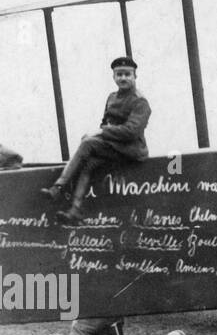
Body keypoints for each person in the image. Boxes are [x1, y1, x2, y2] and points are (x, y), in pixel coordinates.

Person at [42, 56, 151, 223]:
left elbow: (131, 132)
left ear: (135, 76)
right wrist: (101, 132)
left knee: (88, 143)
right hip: (113, 148)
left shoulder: (140, 101)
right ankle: (75, 211)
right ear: (114, 77)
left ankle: (58, 187)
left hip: (131, 150)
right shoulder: (112, 97)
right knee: (88, 164)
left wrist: (100, 133)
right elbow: (104, 122)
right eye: (119, 74)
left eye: (127, 74)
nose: (123, 78)